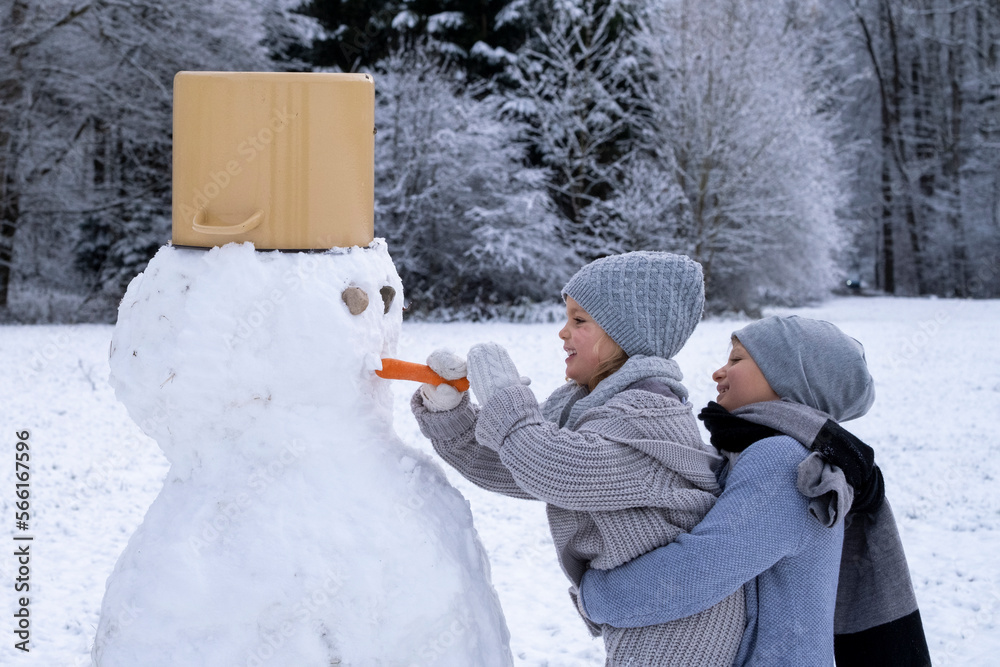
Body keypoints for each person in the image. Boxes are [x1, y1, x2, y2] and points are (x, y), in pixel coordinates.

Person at [410, 252, 745, 666]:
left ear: (628, 334)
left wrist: (503, 396)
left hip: (685, 624)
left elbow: (553, 466)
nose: (563, 333)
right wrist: (451, 414)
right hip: (649, 611)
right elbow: (515, 465)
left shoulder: (649, 414)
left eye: (579, 320)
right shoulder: (593, 407)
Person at [578, 316, 931, 666]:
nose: (719, 372)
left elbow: (700, 568)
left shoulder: (783, 460)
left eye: (736, 359)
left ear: (789, 378)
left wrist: (595, 596)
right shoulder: (782, 454)